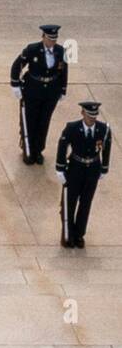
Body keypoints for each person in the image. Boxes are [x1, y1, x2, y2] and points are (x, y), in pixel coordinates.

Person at [55, 101, 111, 248]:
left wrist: (104, 168)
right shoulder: (72, 128)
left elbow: (106, 149)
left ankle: (79, 234)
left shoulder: (103, 129)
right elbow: (62, 146)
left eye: (94, 115)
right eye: (89, 115)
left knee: (86, 203)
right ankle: (67, 235)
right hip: (75, 169)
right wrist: (60, 168)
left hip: (92, 169)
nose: (92, 118)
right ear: (82, 113)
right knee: (70, 203)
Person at [10, 24, 67, 165]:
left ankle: (38, 150)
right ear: (43, 37)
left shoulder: (60, 51)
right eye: (49, 39)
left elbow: (64, 72)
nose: (52, 42)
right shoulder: (32, 50)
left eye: (54, 39)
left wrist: (63, 89)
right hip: (32, 90)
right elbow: (17, 65)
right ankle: (27, 150)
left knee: (44, 122)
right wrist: (15, 84)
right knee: (29, 120)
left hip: (50, 92)